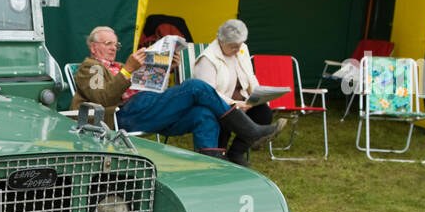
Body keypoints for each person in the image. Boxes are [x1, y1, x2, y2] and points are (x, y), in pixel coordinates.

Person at [72, 25, 284, 162]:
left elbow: (148, 88)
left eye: (115, 44)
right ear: (93, 47)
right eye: (107, 43)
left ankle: (212, 166)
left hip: (147, 109)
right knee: (195, 87)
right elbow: (103, 98)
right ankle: (249, 131)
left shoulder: (118, 65)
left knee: (203, 113)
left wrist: (165, 69)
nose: (113, 48)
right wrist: (128, 69)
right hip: (121, 116)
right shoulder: (90, 67)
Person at [193, 18, 275, 166]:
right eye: (233, 46)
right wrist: (234, 104)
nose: (238, 49)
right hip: (218, 106)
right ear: (221, 41)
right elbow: (208, 94)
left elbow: (250, 77)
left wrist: (259, 96)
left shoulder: (242, 49)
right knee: (227, 115)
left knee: (264, 113)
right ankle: (220, 156)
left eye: (240, 45)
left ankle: (236, 152)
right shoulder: (207, 59)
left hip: (243, 102)